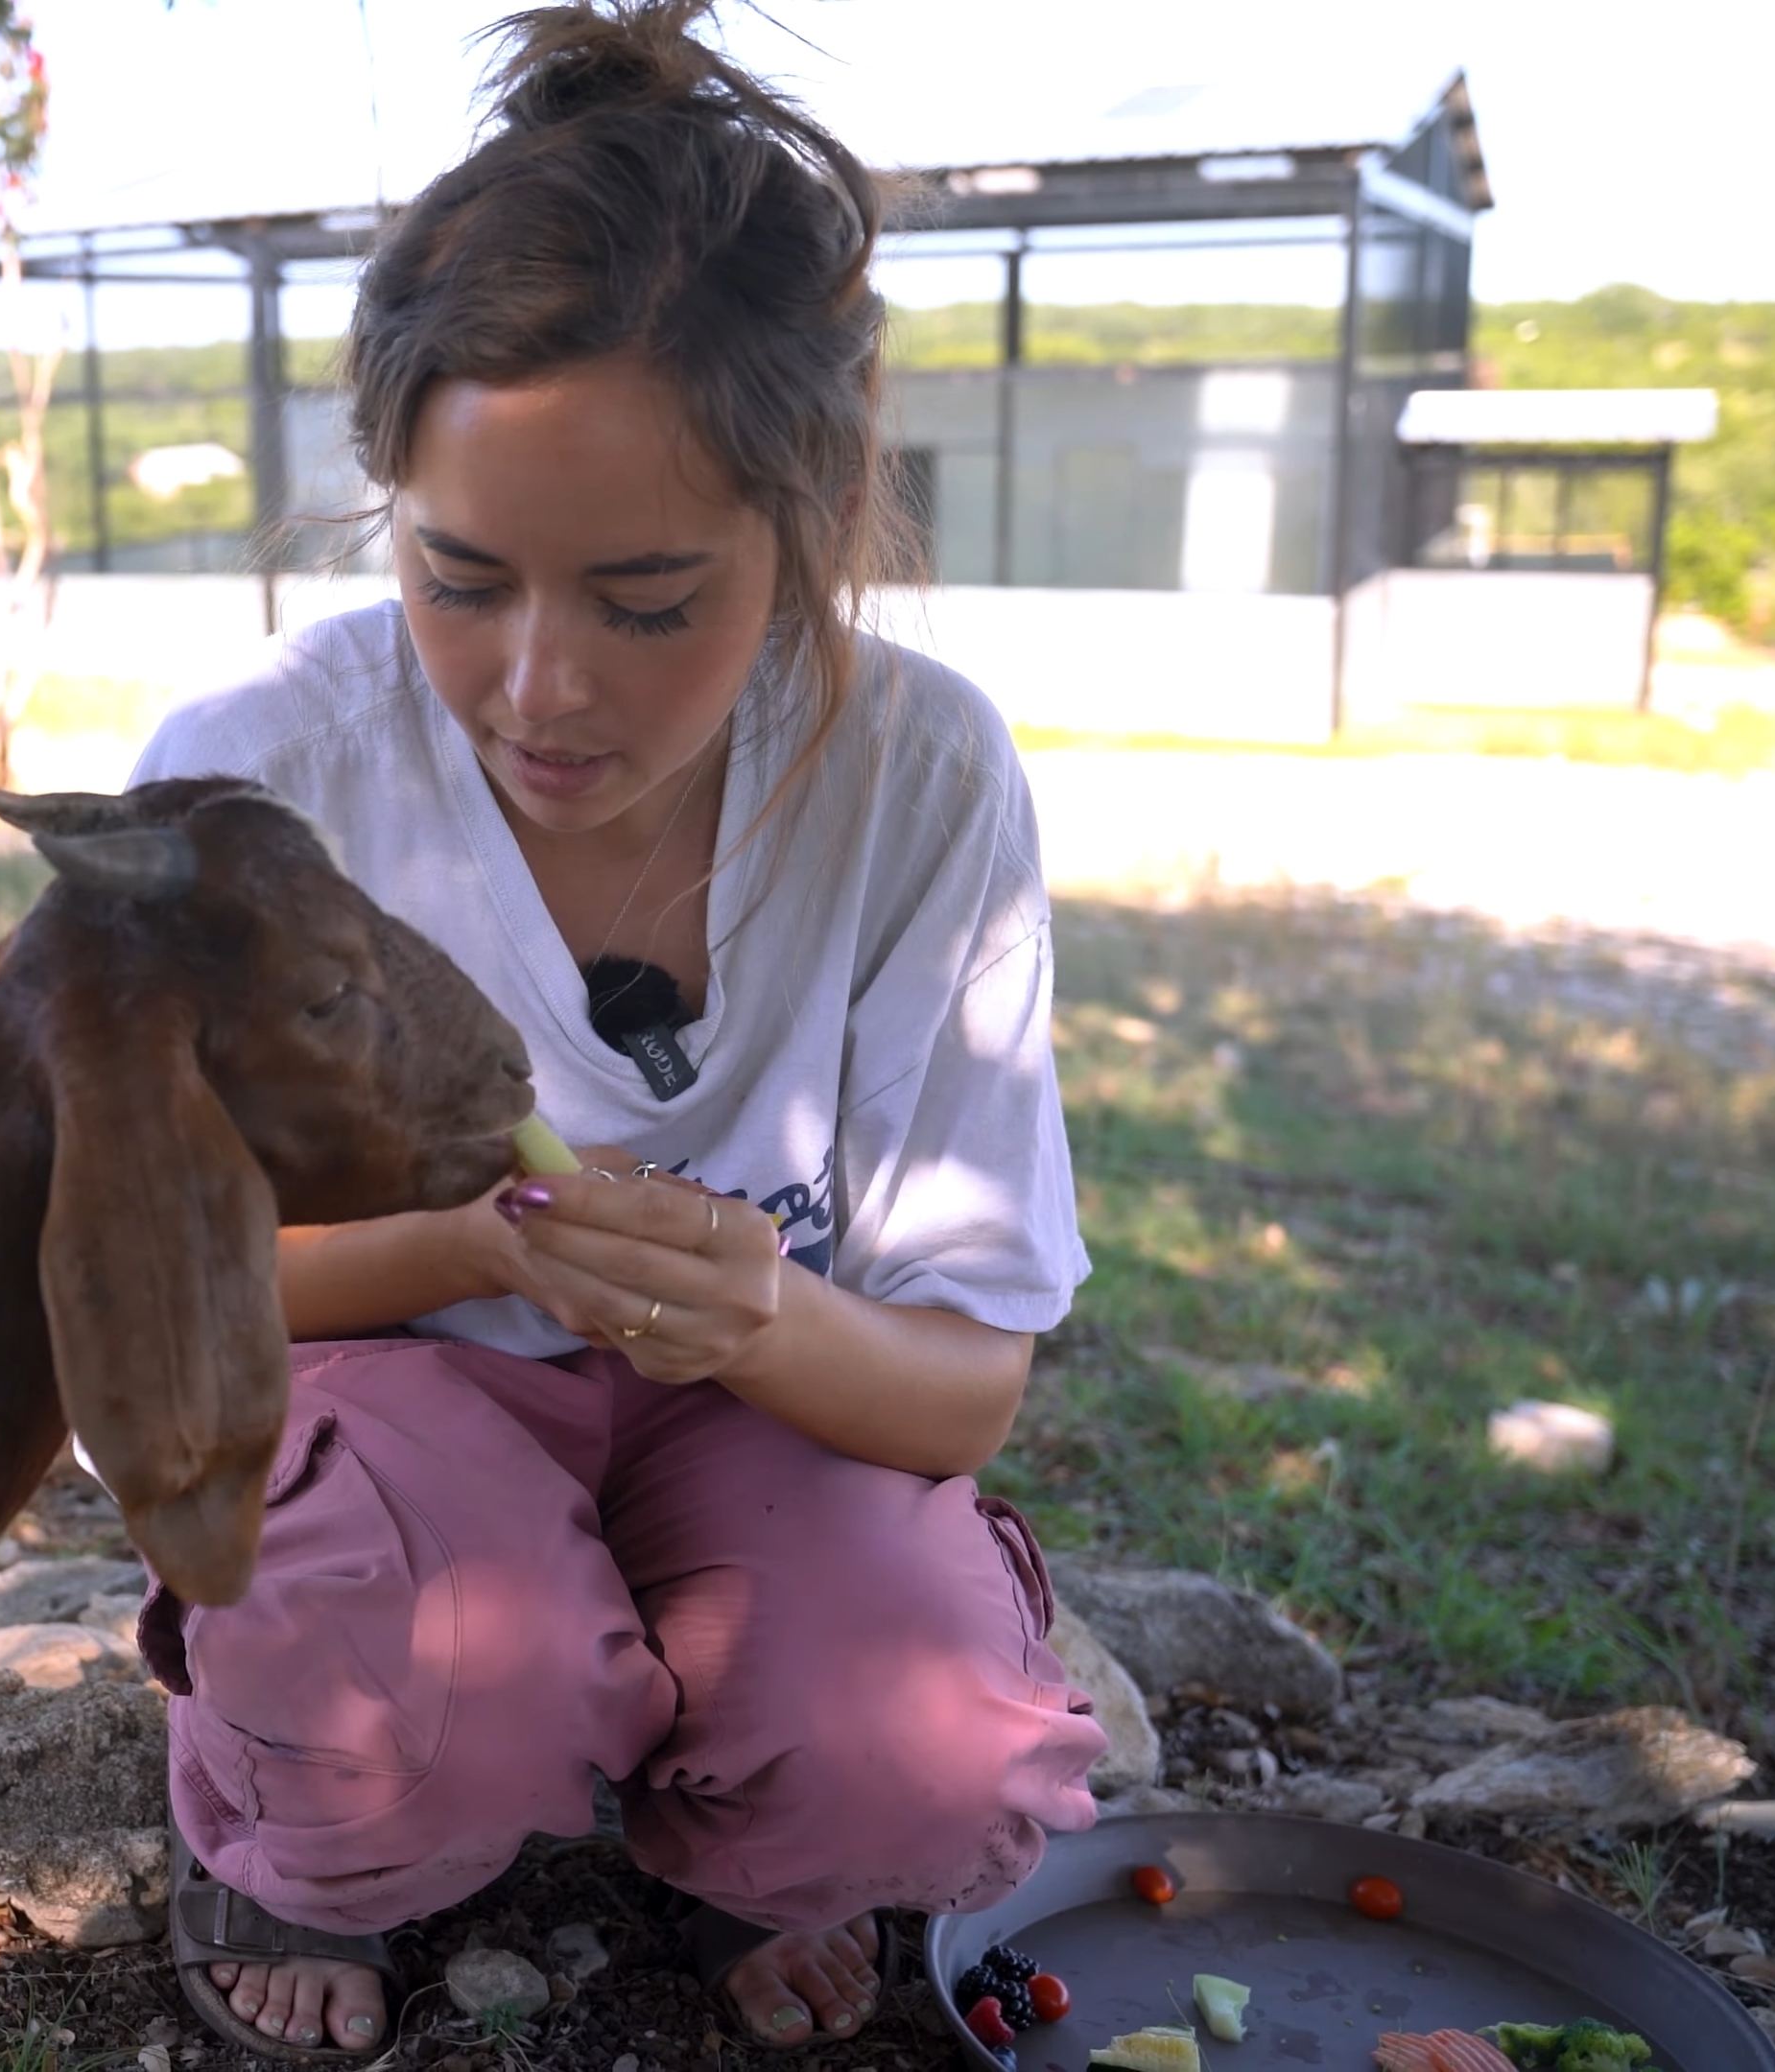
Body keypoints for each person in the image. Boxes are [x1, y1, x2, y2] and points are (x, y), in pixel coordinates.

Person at [120, 2, 1110, 2058]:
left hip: (750, 1408)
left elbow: (956, 1389)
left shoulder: (919, 779)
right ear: (385, 502)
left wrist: (753, 1317)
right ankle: (284, 1833)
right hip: (378, 1400)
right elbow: (152, 1308)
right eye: (459, 578)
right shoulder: (257, 779)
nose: (540, 690)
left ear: (814, 528)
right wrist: (480, 1246)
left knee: (915, 1774)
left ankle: (733, 1834)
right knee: (410, 1732)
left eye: (650, 602)